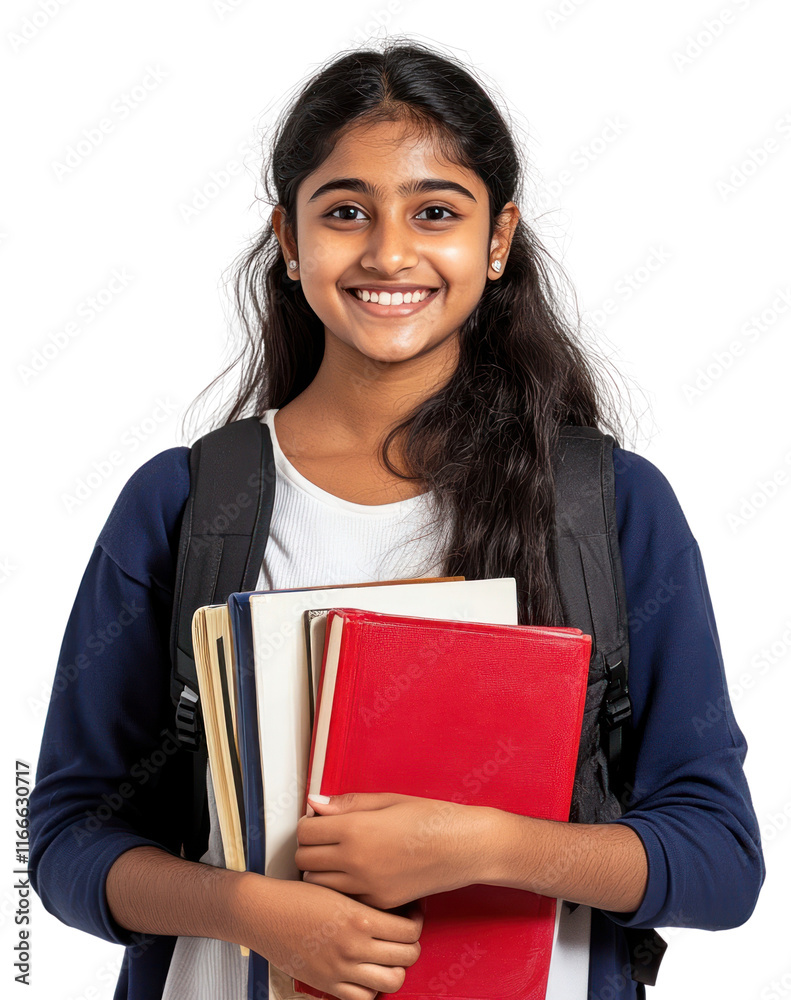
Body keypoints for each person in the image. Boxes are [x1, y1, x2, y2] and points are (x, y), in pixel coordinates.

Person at [29, 38, 764, 1000]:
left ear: (496, 241)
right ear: (288, 241)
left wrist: (489, 846)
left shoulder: (610, 507)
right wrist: (245, 909)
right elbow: (66, 840)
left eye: (434, 212)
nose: (388, 251)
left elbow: (718, 861)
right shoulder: (182, 504)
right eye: (344, 212)